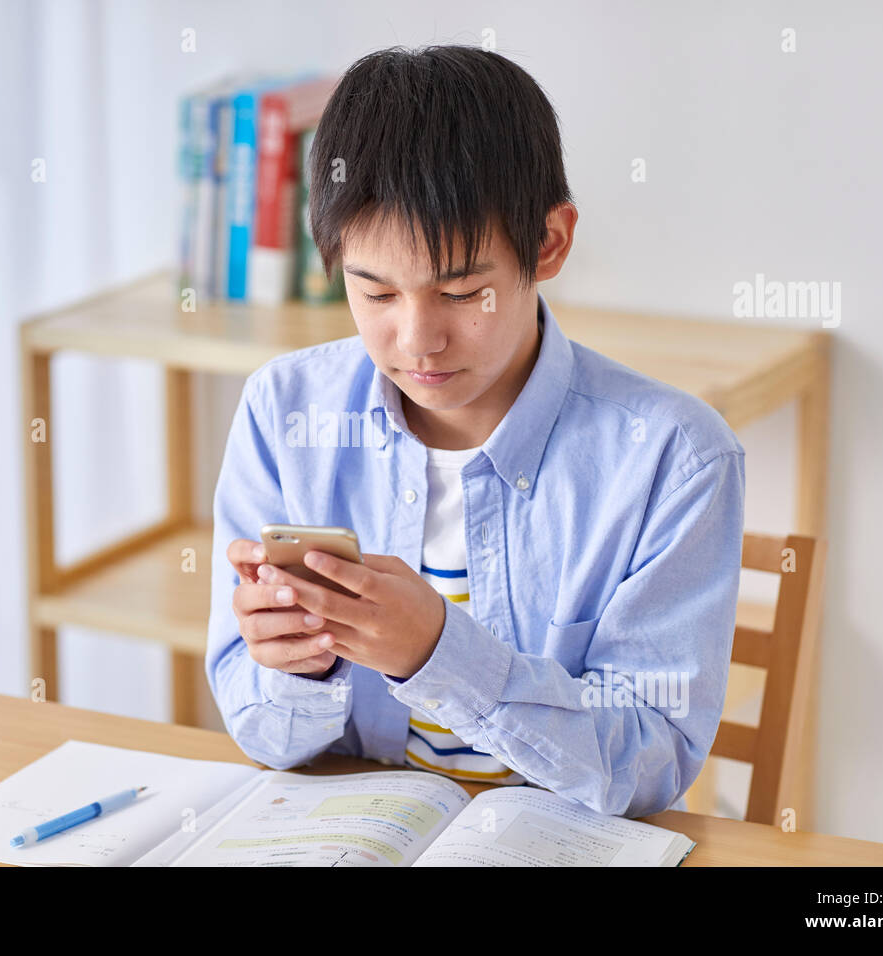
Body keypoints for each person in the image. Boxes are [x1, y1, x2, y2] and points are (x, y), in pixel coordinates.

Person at [206, 45, 745, 818]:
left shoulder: (673, 458)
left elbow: (648, 763)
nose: (418, 340)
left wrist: (438, 655)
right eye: (375, 291)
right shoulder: (285, 412)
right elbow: (262, 733)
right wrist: (294, 668)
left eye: (461, 292)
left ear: (549, 243)